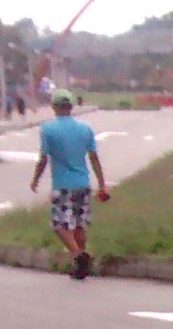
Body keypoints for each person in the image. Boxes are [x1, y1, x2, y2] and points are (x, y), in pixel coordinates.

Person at [30, 91, 110, 280]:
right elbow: (94, 158)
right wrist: (102, 184)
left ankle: (78, 254)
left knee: (59, 224)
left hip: (62, 184)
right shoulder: (85, 129)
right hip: (83, 182)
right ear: (72, 107)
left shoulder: (48, 130)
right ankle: (81, 267)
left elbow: (43, 159)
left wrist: (35, 180)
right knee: (79, 224)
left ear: (54, 107)